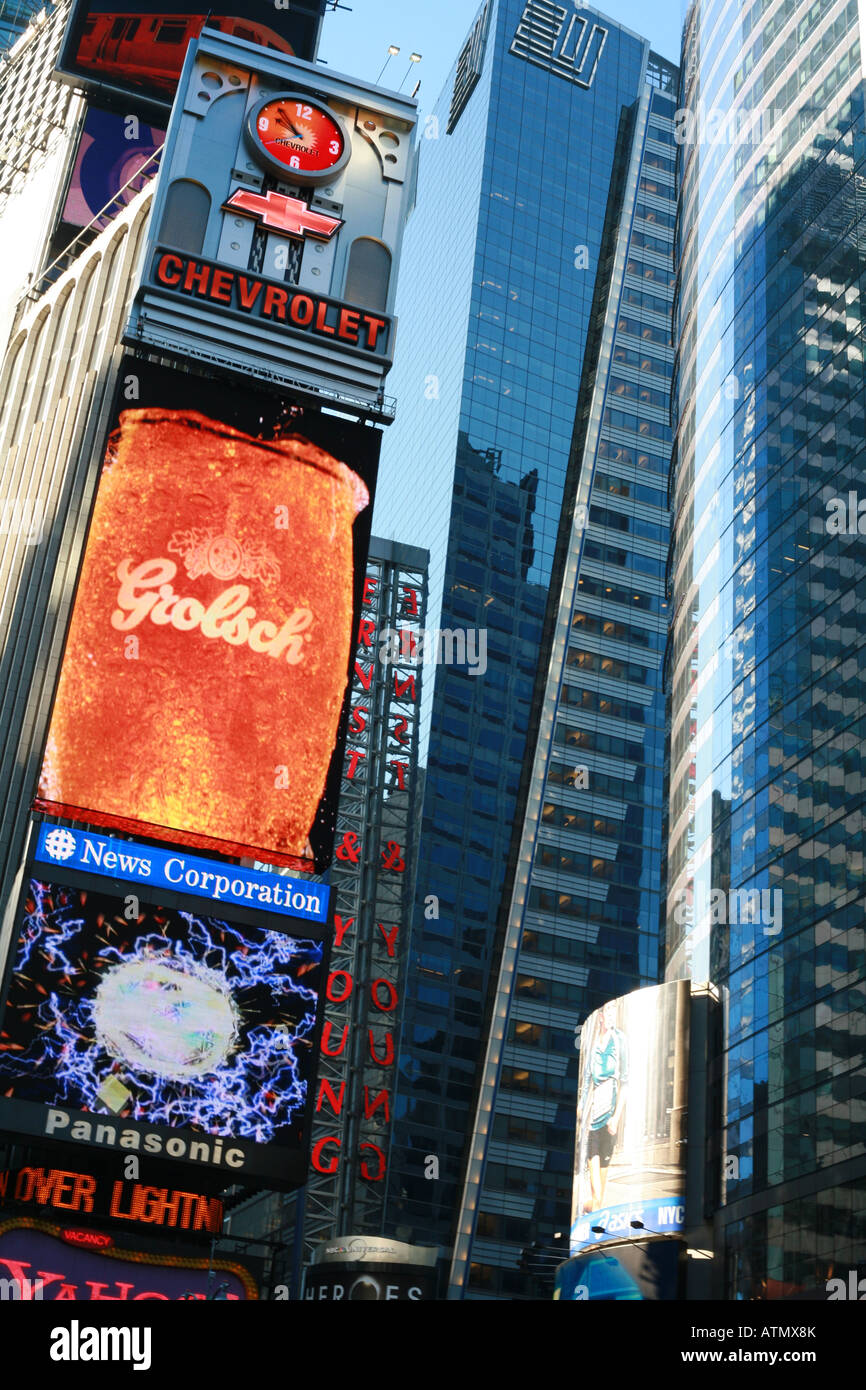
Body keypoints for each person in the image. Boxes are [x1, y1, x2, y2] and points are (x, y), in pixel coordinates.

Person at [578, 999, 628, 1213]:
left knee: (605, 1165)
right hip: (593, 1114)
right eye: (607, 1011)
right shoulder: (593, 1045)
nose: (611, 1015)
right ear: (600, 1016)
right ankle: (595, 1206)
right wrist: (581, 1109)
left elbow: (625, 1081)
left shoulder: (620, 1040)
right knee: (592, 1157)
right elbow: (588, 1082)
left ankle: (595, 1208)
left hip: (611, 1110)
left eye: (613, 1011)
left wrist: (616, 1117)